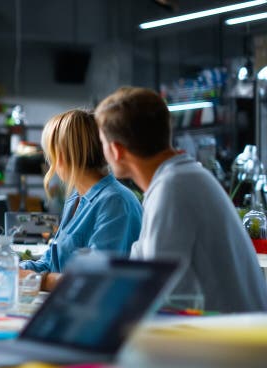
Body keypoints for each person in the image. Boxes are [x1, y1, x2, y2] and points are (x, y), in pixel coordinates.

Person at [95, 86, 267, 313]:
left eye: (102, 143)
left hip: (230, 342)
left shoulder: (172, 188)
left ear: (116, 150)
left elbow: (164, 296)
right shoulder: (178, 179)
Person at [0, 109, 143, 291]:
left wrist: (35, 279)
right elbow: (49, 264)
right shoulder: (76, 199)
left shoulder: (116, 202)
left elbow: (97, 282)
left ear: (62, 155)